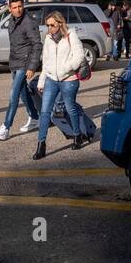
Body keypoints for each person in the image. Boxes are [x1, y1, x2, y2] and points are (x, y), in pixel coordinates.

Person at [32, 10, 87, 159]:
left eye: (52, 25)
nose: (49, 28)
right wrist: (42, 80)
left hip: (68, 80)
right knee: (44, 112)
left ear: (60, 23)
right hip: (51, 79)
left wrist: (65, 68)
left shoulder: (71, 35)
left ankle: (77, 135)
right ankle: (41, 145)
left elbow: (79, 56)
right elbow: (46, 61)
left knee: (70, 108)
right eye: (48, 25)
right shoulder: (48, 38)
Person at [0, 0, 41, 141]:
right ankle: (35, 118)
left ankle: (6, 127)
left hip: (24, 63)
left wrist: (32, 66)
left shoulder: (29, 22)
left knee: (13, 94)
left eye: (20, 6)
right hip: (14, 62)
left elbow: (37, 45)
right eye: (14, 7)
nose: (18, 9)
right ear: (10, 9)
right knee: (23, 93)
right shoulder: (11, 20)